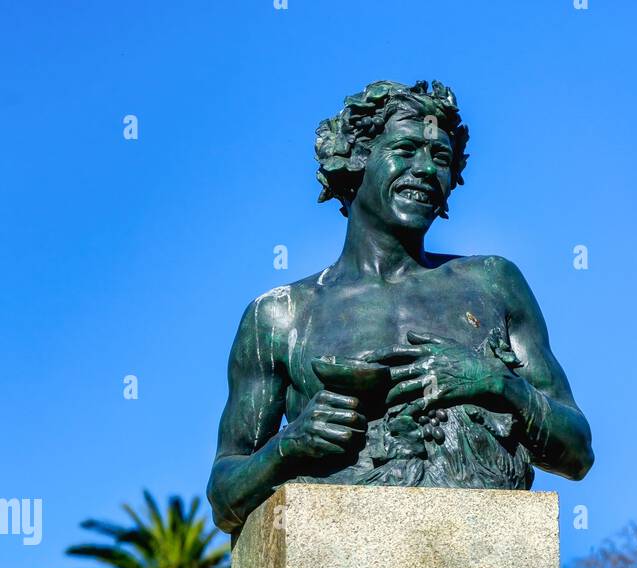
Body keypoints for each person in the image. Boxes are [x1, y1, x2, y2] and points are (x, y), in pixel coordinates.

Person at [208, 79, 594, 534]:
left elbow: (578, 451)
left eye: (442, 158)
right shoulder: (282, 315)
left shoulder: (494, 282)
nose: (427, 170)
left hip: (486, 558)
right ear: (354, 159)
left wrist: (498, 383)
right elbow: (224, 497)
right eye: (406, 149)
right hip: (338, 564)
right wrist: (287, 449)